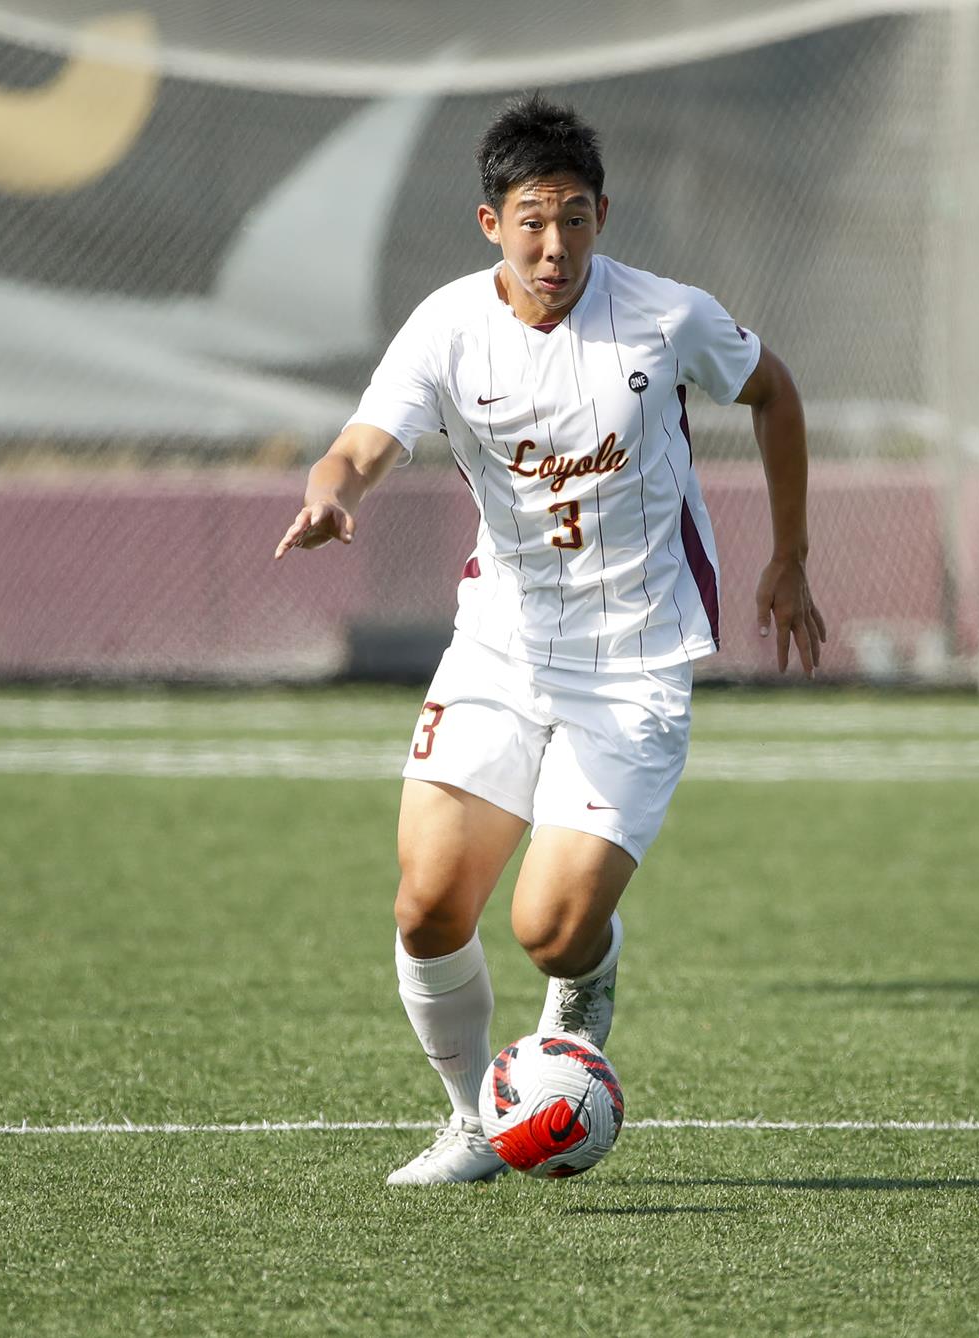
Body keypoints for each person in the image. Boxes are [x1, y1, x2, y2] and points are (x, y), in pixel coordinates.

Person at [273, 93, 825, 1185]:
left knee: (550, 929)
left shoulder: (665, 318)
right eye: (531, 219)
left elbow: (774, 393)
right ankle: (476, 1119)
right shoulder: (445, 327)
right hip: (500, 647)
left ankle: (585, 976)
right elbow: (360, 446)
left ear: (602, 216)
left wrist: (788, 556)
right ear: (491, 225)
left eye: (574, 217)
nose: (553, 245)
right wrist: (332, 493)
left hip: (634, 662)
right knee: (427, 907)